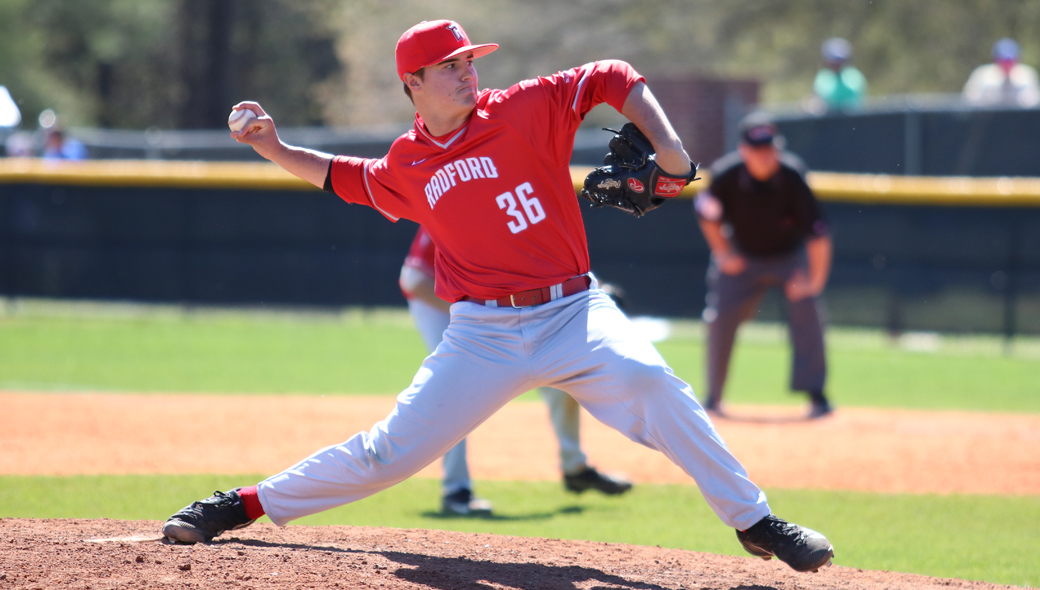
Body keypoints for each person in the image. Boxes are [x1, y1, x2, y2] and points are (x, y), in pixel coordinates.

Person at [161, 20, 834, 573]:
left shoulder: (521, 109)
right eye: (449, 65)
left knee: (655, 383)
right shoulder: (408, 163)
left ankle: (755, 521)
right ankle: (242, 504)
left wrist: (670, 143)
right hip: (483, 333)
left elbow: (611, 76)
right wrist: (273, 146)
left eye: (468, 59)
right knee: (387, 453)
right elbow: (343, 177)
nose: (466, 71)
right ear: (413, 83)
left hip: (574, 311)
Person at [399, 225, 633, 515]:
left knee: (559, 371)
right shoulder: (452, 201)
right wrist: (473, 315)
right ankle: (456, 491)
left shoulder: (510, 201)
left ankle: (575, 468)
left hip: (492, 301)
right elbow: (413, 280)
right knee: (455, 389)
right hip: (438, 302)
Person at [693, 112, 833, 419]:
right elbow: (706, 215)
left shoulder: (792, 175)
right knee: (720, 317)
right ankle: (713, 397)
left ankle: (816, 395)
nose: (766, 156)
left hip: (787, 257)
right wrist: (724, 253)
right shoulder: (726, 175)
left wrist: (815, 283)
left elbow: (818, 236)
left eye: (770, 148)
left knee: (806, 306)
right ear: (743, 150)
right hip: (743, 256)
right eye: (758, 149)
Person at [962, 38, 1040, 108]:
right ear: (995, 60)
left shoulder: (1027, 77)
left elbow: (1033, 105)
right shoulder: (982, 77)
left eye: (1010, 61)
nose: (1007, 65)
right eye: (1003, 61)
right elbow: (969, 103)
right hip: (988, 122)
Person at [812, 37, 867, 112]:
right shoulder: (822, 77)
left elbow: (855, 103)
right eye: (833, 60)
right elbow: (817, 100)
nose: (837, 64)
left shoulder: (854, 77)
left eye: (839, 60)